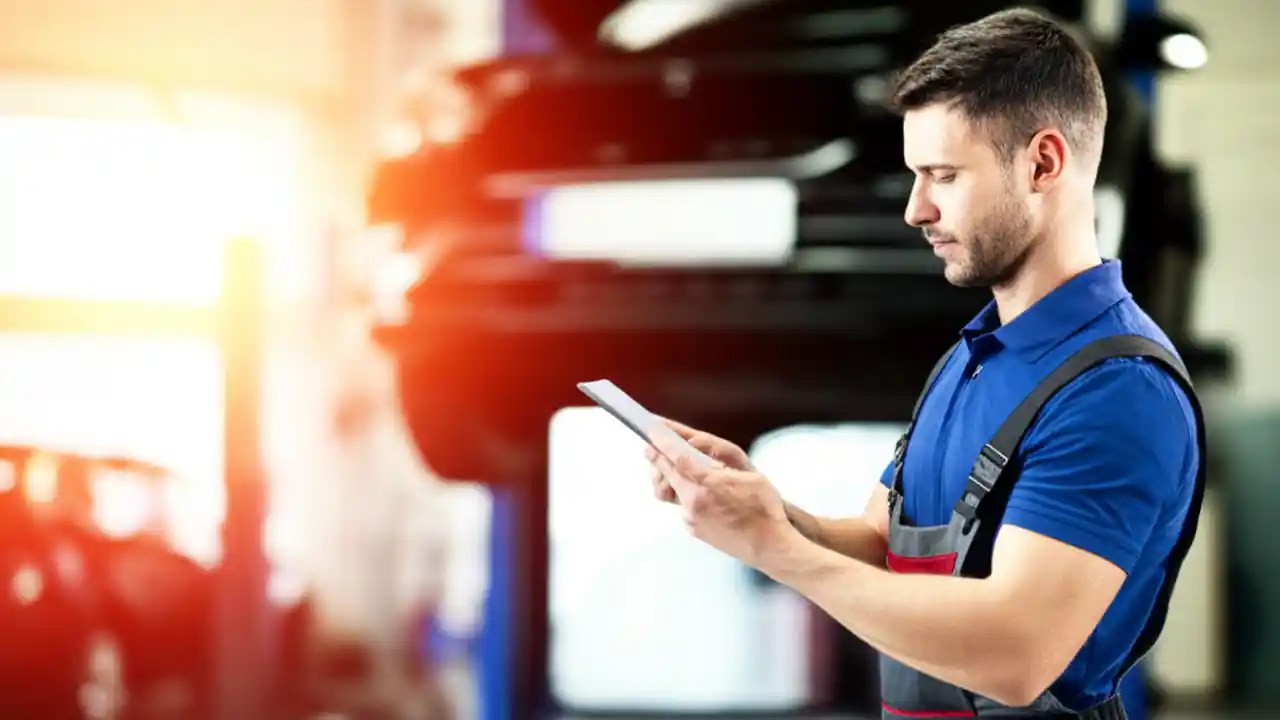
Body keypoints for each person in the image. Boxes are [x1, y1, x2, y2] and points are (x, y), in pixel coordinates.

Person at [646, 8, 1204, 720]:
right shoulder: (971, 359)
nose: (916, 209)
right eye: (915, 175)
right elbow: (886, 550)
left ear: (1044, 162)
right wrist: (763, 509)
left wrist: (775, 551)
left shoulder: (1117, 391)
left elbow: (1015, 654)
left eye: (942, 175)